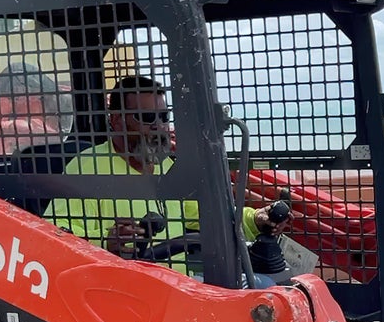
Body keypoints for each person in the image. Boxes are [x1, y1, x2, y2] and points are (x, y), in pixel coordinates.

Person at [46, 75, 284, 280]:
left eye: (163, 117)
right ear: (117, 120)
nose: (158, 126)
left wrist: (254, 219)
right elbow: (55, 238)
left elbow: (205, 214)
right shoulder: (86, 168)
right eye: (147, 117)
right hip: (121, 295)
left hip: (180, 289)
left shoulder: (167, 167)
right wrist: (106, 244)